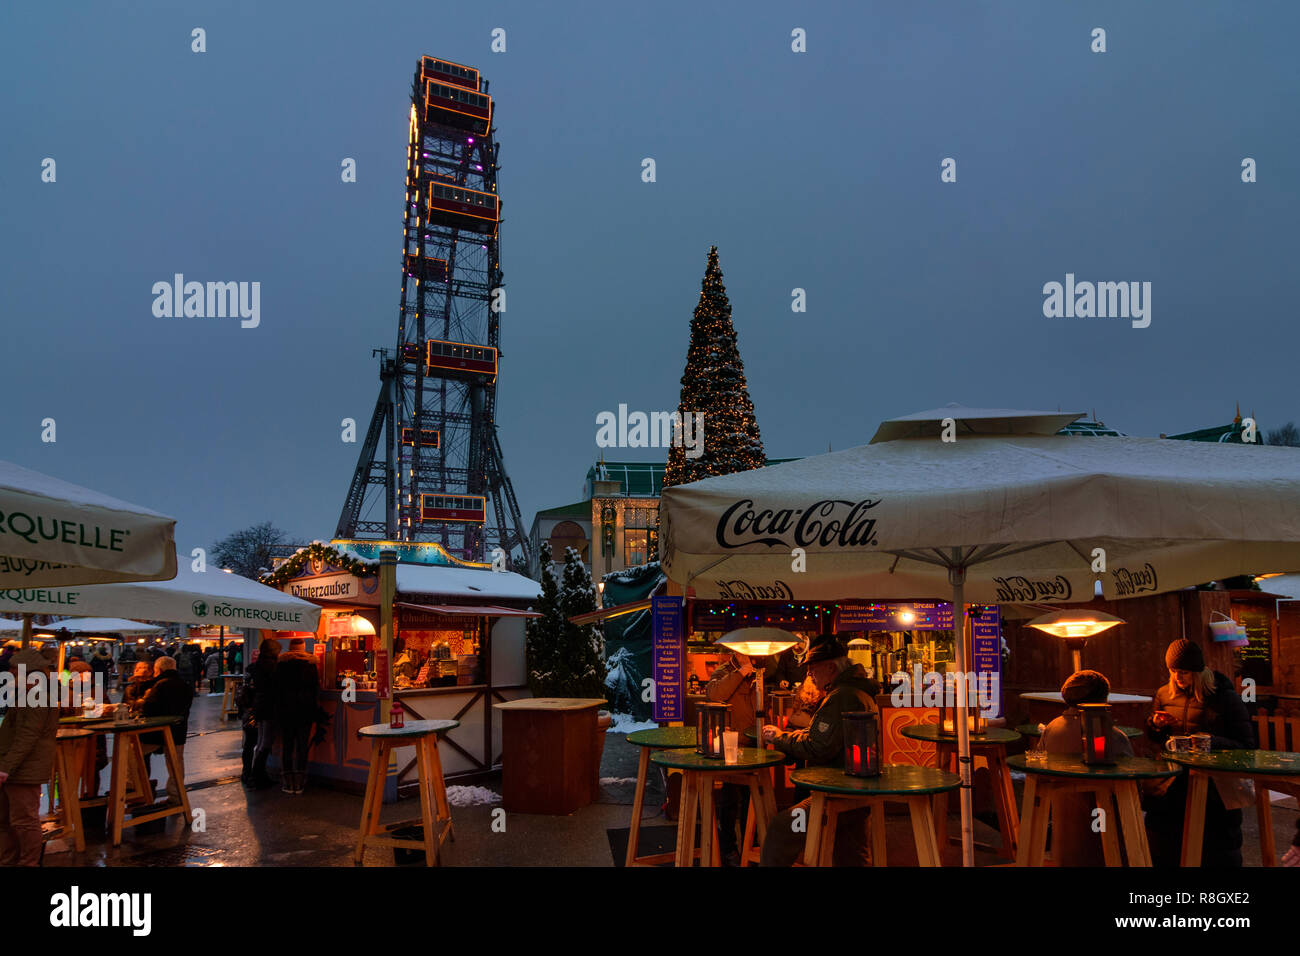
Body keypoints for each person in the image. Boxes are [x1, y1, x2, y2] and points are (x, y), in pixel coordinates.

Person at [759, 633, 881, 866]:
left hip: (836, 794)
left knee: (782, 827)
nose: (809, 675)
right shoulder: (853, 691)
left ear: (831, 668)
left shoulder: (841, 696)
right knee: (852, 854)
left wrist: (780, 737)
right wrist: (793, 736)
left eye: (813, 669)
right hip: (855, 789)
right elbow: (826, 738)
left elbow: (818, 747)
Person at [1143, 638, 1254, 867]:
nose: (1177, 677)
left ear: (1198, 672)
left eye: (1183, 672)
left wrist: (1212, 742)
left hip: (1214, 789)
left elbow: (1247, 744)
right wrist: (1155, 724)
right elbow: (1156, 739)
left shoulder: (1225, 698)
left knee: (1214, 851)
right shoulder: (1165, 694)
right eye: (1173, 671)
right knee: (1166, 846)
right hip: (1172, 786)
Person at [1039, 669, 1134, 865]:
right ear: (1102, 699)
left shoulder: (1051, 729)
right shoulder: (1108, 735)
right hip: (1103, 834)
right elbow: (1130, 784)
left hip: (1063, 835)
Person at [0, 648, 60, 865]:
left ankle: (27, 863)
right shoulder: (33, 692)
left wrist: (6, 766)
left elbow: (28, 735)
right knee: (6, 821)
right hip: (18, 766)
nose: (11, 674)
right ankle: (9, 861)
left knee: (23, 822)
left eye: (15, 670)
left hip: (25, 768)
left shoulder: (39, 694)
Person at [705, 649, 759, 865]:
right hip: (731, 745)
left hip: (754, 745)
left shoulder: (759, 671)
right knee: (729, 799)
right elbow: (714, 694)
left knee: (752, 798)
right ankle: (728, 849)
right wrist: (741, 673)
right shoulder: (724, 671)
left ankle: (751, 846)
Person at [139, 656, 194, 806]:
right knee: (176, 764)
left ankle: (134, 788)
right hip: (178, 732)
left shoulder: (158, 685)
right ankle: (176, 796)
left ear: (158, 670)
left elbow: (148, 708)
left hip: (157, 733)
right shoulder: (185, 685)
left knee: (134, 753)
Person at [275, 638, 320, 795]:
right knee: (302, 746)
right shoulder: (311, 664)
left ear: (289, 648)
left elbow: (277, 689)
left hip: (286, 711)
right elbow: (316, 688)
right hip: (305, 711)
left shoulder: (281, 664)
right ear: (303, 648)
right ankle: (300, 783)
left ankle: (288, 783)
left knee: (287, 746)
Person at [245, 637, 280, 789]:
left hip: (258, 707)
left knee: (260, 742)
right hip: (269, 707)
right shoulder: (272, 666)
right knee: (266, 742)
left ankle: (256, 774)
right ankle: (257, 775)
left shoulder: (256, 666)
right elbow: (276, 687)